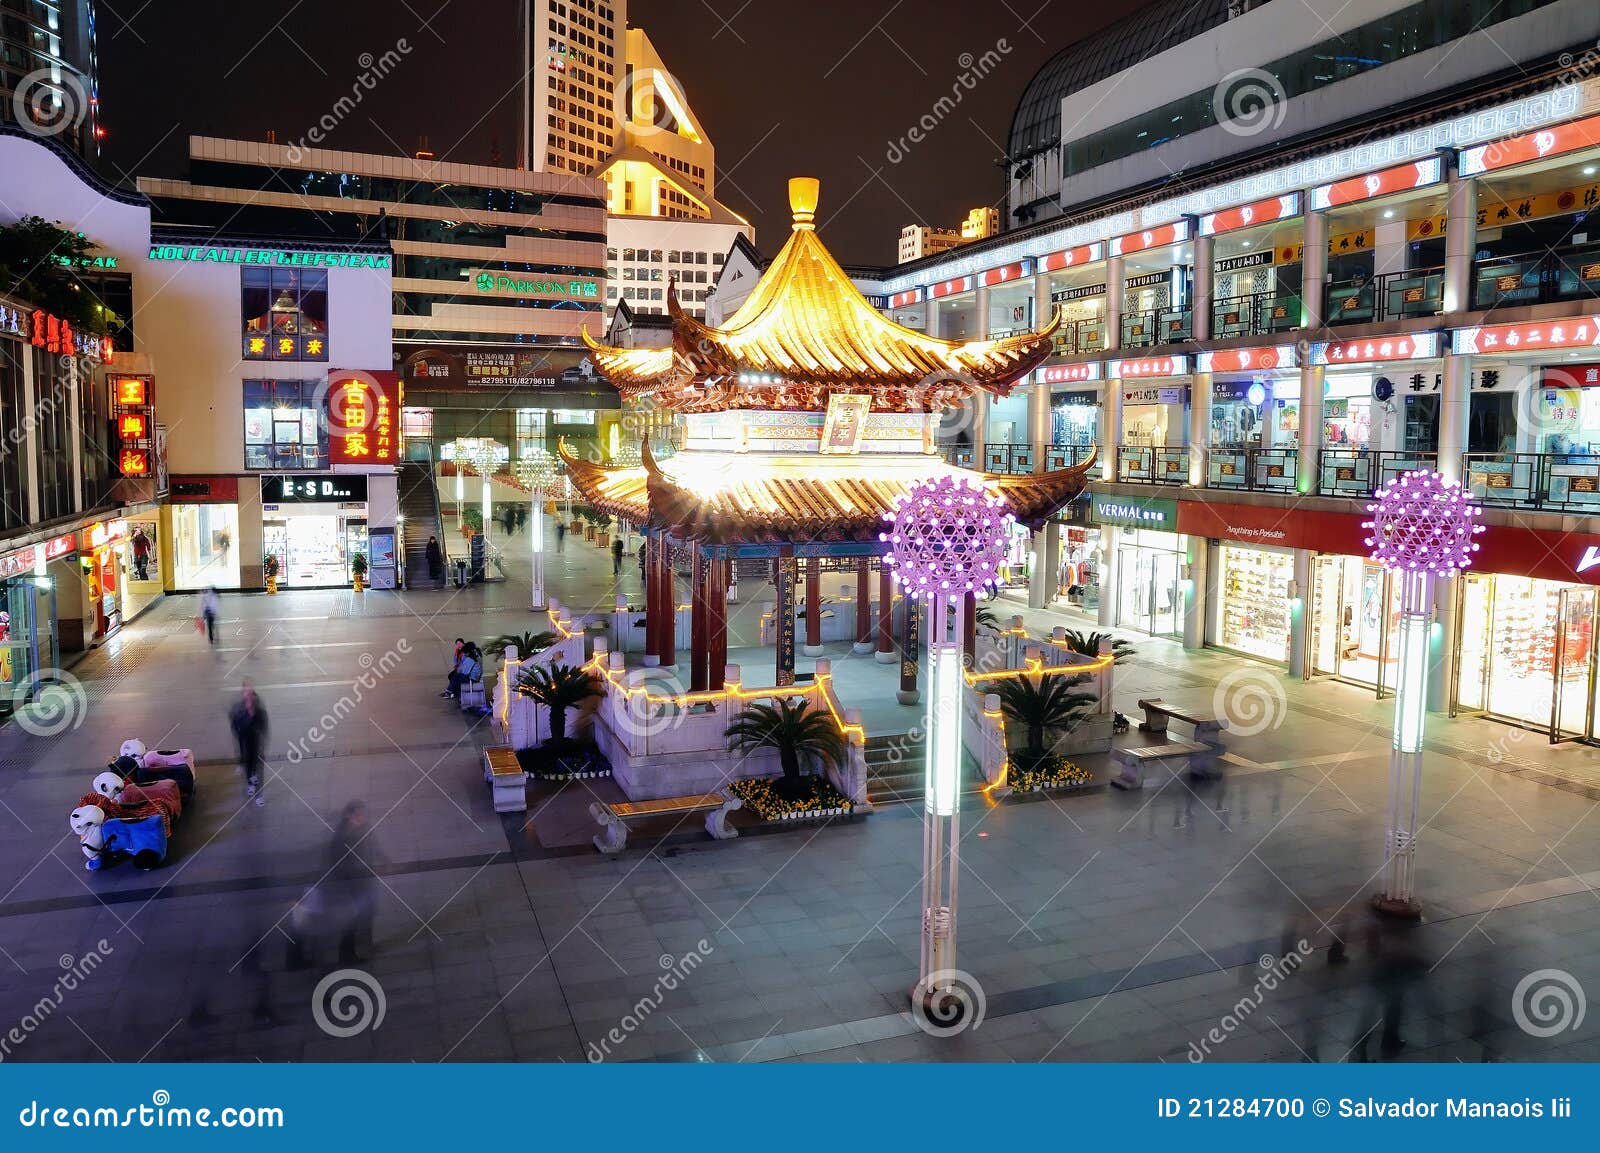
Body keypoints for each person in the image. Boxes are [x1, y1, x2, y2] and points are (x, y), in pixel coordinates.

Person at [327, 801, 382, 965]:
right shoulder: (340, 838)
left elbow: (375, 847)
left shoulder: (365, 828)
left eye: (363, 814)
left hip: (364, 880)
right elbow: (337, 864)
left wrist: (384, 860)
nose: (361, 817)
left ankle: (366, 946)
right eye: (358, 815)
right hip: (351, 885)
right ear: (348, 816)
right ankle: (347, 955)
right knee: (352, 920)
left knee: (367, 915)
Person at [229, 681, 269, 805]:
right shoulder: (238, 708)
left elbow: (264, 728)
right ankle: (250, 783)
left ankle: (259, 795)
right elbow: (234, 724)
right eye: (246, 692)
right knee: (248, 767)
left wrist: (263, 743)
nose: (249, 695)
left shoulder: (259, 711)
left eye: (250, 692)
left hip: (256, 744)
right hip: (245, 744)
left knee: (258, 770)